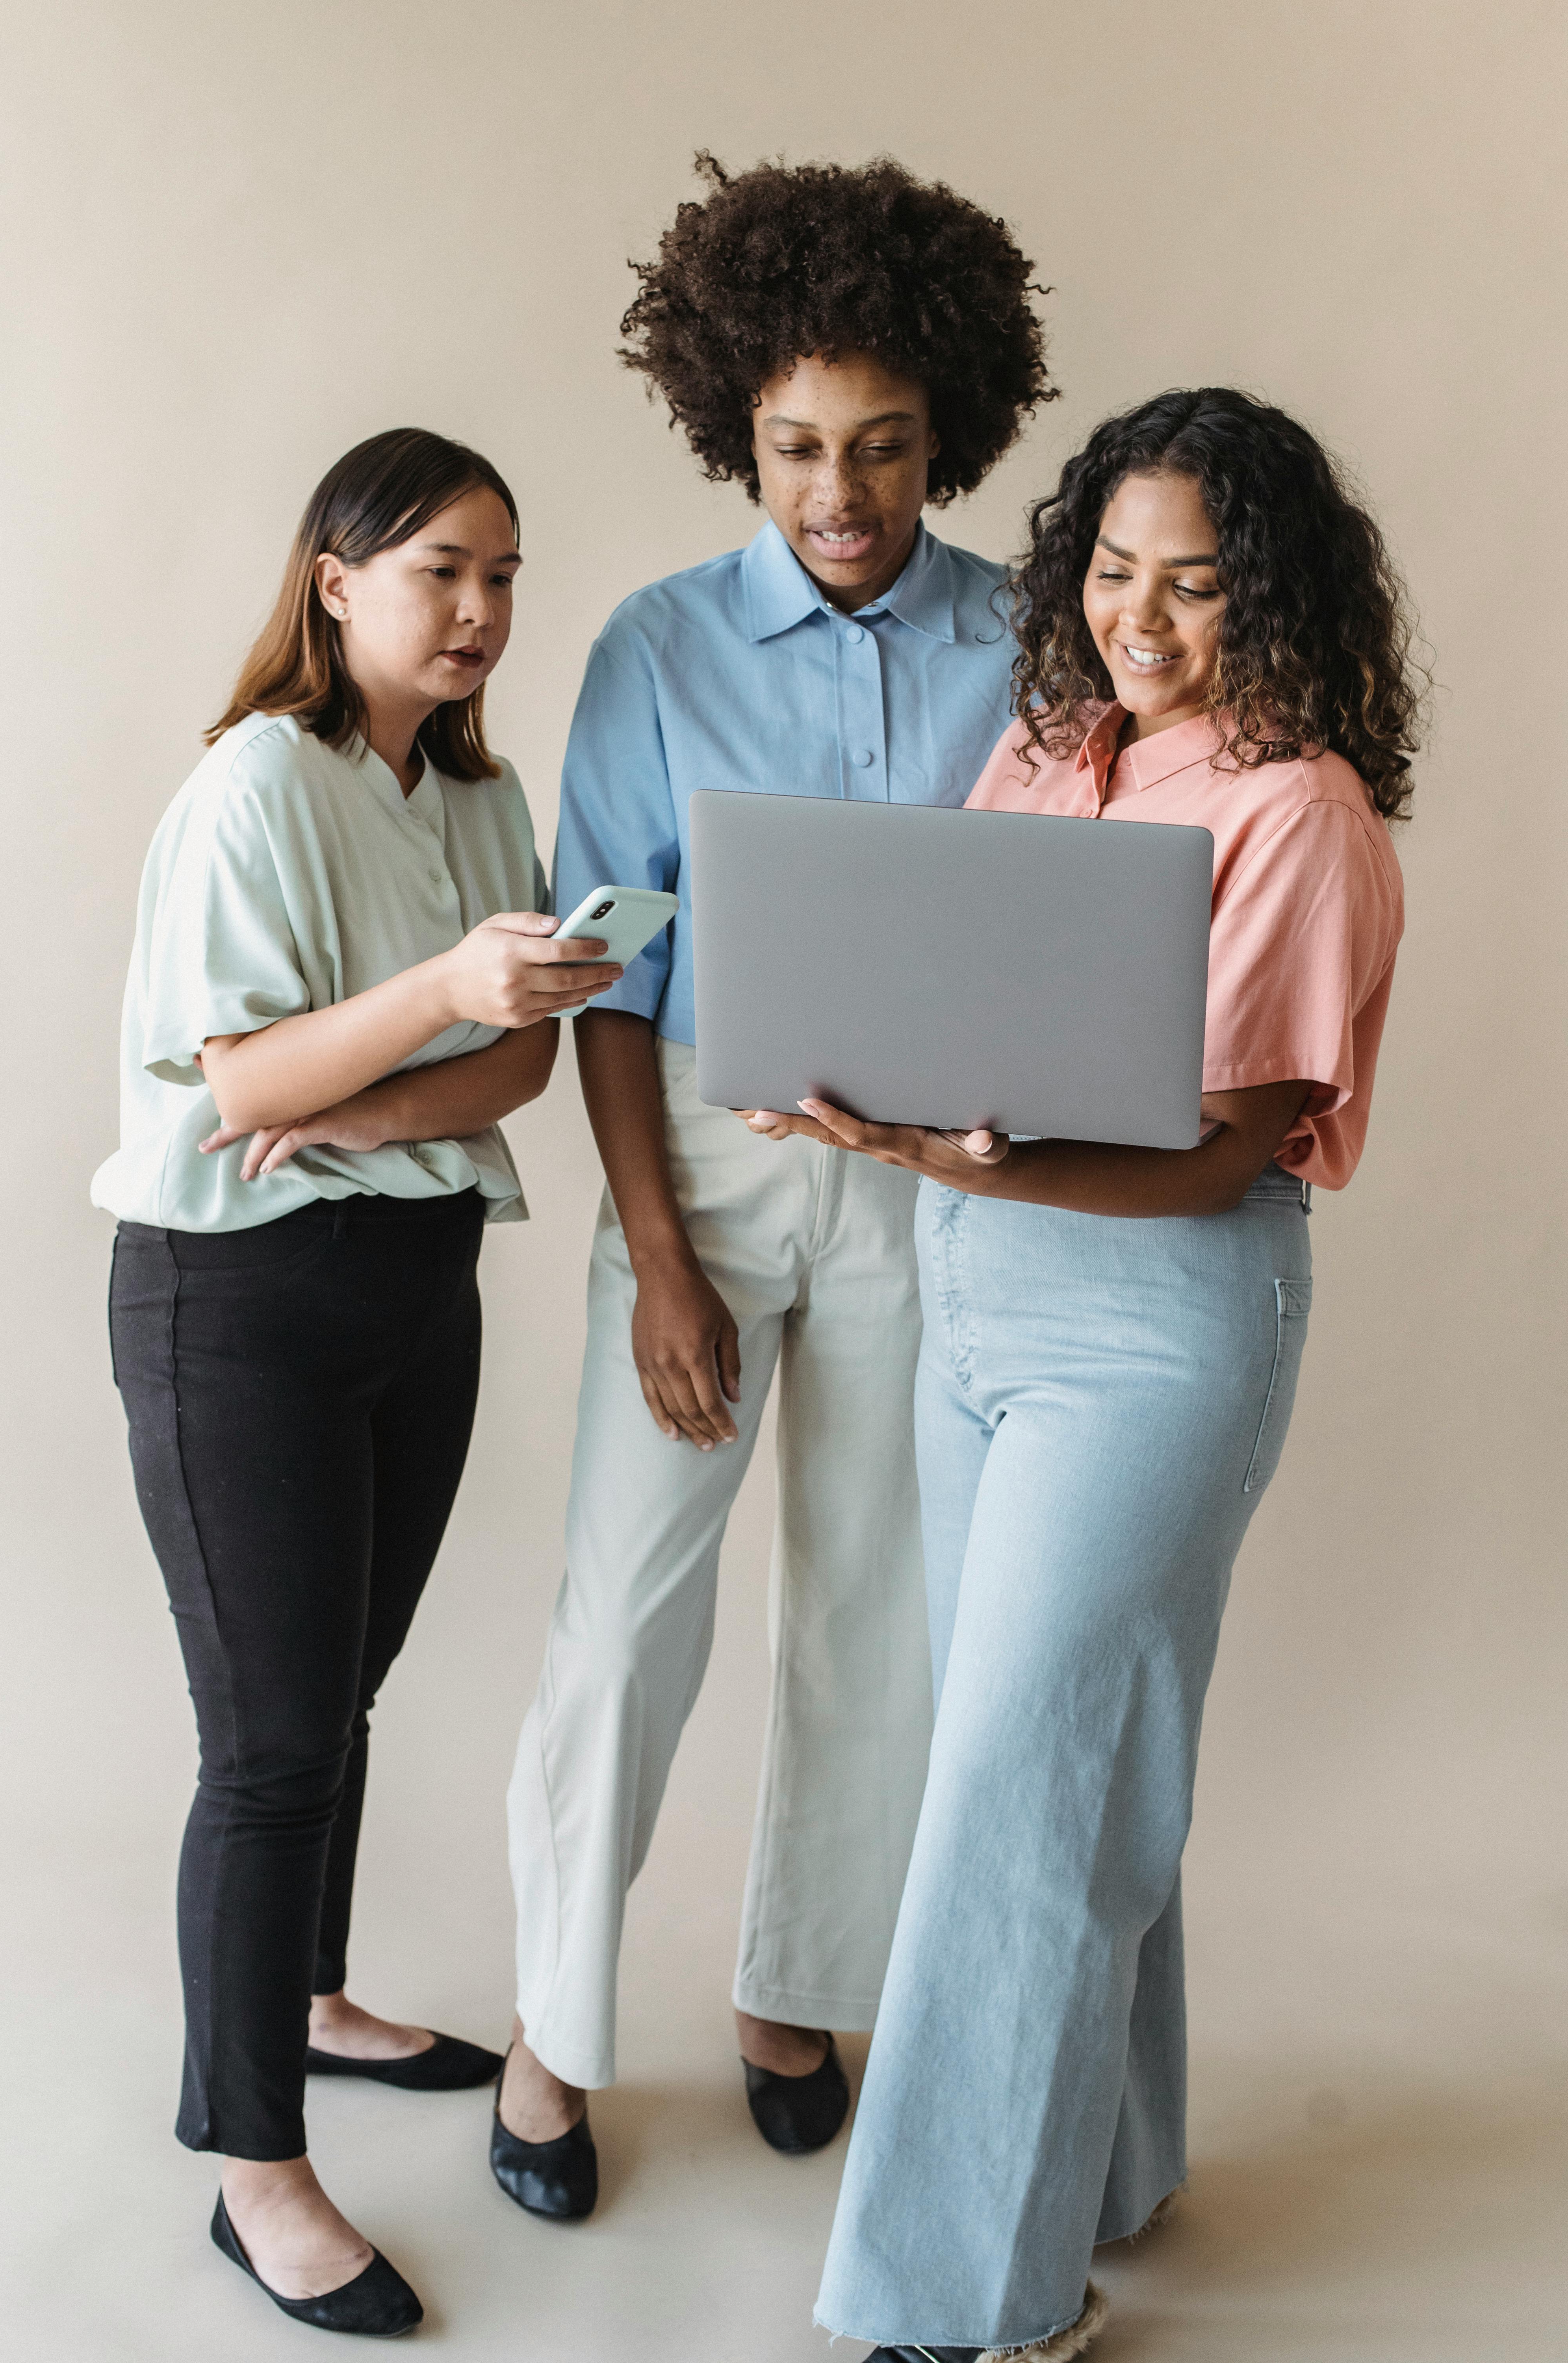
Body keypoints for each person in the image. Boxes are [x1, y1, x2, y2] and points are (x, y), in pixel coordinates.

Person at [744, 389, 1423, 2360]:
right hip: (980, 1289)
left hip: (1157, 1324)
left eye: (1196, 586)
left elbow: (1225, 1140)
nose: (1143, 617)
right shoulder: (1050, 758)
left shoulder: (1299, 806)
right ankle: (1106, 2168)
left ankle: (968, 2301)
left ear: (1273, 600)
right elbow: (961, 995)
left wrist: (976, 1152)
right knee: (1027, 1751)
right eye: (1115, 570)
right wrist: (873, 1087)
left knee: (1023, 1795)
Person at [495, 154, 1054, 2207]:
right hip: (708, 1180)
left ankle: (791, 1992)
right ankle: (554, 2036)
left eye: (887, 450)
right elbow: (609, 978)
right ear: (742, 425)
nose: (841, 492)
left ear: (951, 437)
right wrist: (658, 1257)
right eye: (802, 447)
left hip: (933, 1189)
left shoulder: (1024, 639)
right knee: (622, 1619)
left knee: (877, 1614)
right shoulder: (655, 648)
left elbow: (1054, 930)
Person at [93, 428, 622, 2336]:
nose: (479, 612)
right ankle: (254, 2170)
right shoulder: (255, 785)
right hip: (233, 1299)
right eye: (437, 574)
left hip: (415, 1278)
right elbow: (229, 1088)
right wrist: (436, 1011)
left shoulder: (480, 800)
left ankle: (310, 2004)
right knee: (271, 1743)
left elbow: (520, 1070)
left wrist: (385, 1094)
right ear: (335, 577)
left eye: (501, 576)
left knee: (349, 1687)